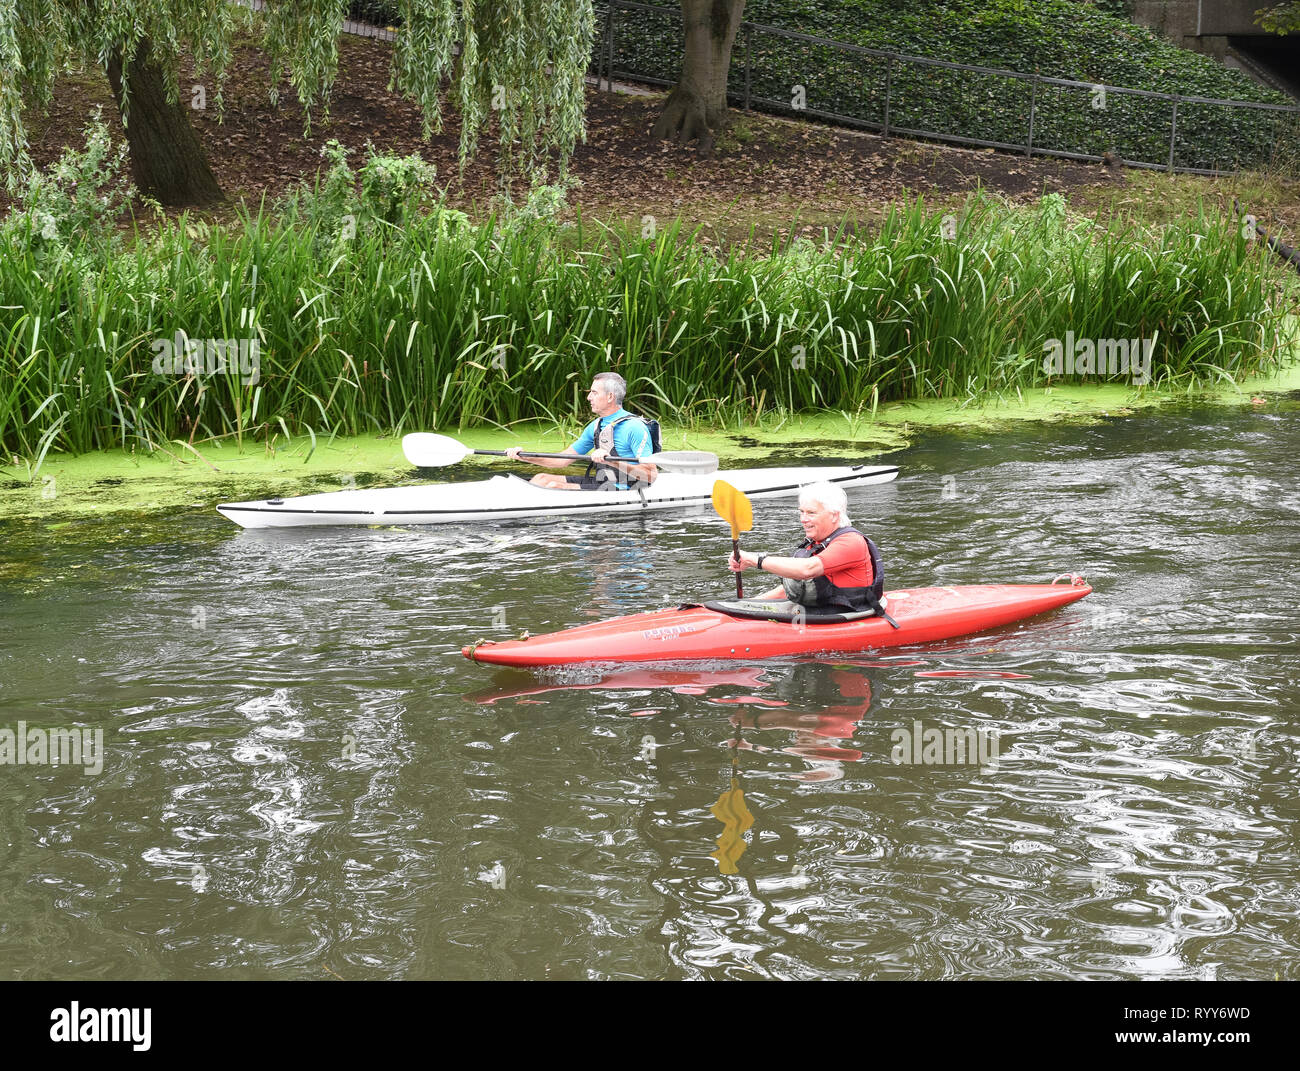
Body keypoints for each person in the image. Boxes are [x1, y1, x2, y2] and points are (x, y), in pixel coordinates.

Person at [727, 482, 887, 615]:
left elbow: (808, 569)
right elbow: (796, 587)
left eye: (811, 513)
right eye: (802, 512)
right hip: (822, 611)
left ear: (834, 515)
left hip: (850, 614)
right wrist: (746, 605)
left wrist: (754, 560)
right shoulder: (816, 542)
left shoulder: (851, 542)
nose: (803, 519)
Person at [504, 372, 657, 491]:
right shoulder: (596, 426)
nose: (589, 397)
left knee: (554, 487)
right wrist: (524, 457)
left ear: (610, 396)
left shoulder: (635, 427)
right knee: (540, 479)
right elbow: (561, 461)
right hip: (603, 482)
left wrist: (614, 461)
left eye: (594, 392)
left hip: (627, 488)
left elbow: (650, 475)